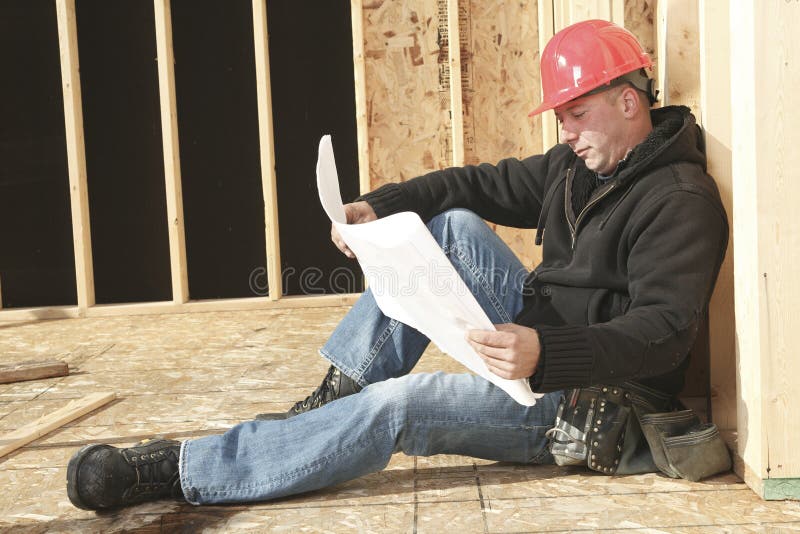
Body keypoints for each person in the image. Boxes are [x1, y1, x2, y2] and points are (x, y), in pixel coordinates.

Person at [65, 19, 728, 510]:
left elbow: (662, 333)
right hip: (542, 342)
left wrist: (545, 355)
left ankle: (183, 469)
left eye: (576, 116)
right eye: (560, 119)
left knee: (404, 405)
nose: (566, 136)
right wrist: (379, 208)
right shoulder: (576, 167)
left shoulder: (681, 201)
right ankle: (330, 404)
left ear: (628, 102)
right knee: (452, 229)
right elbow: (478, 184)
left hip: (590, 404)